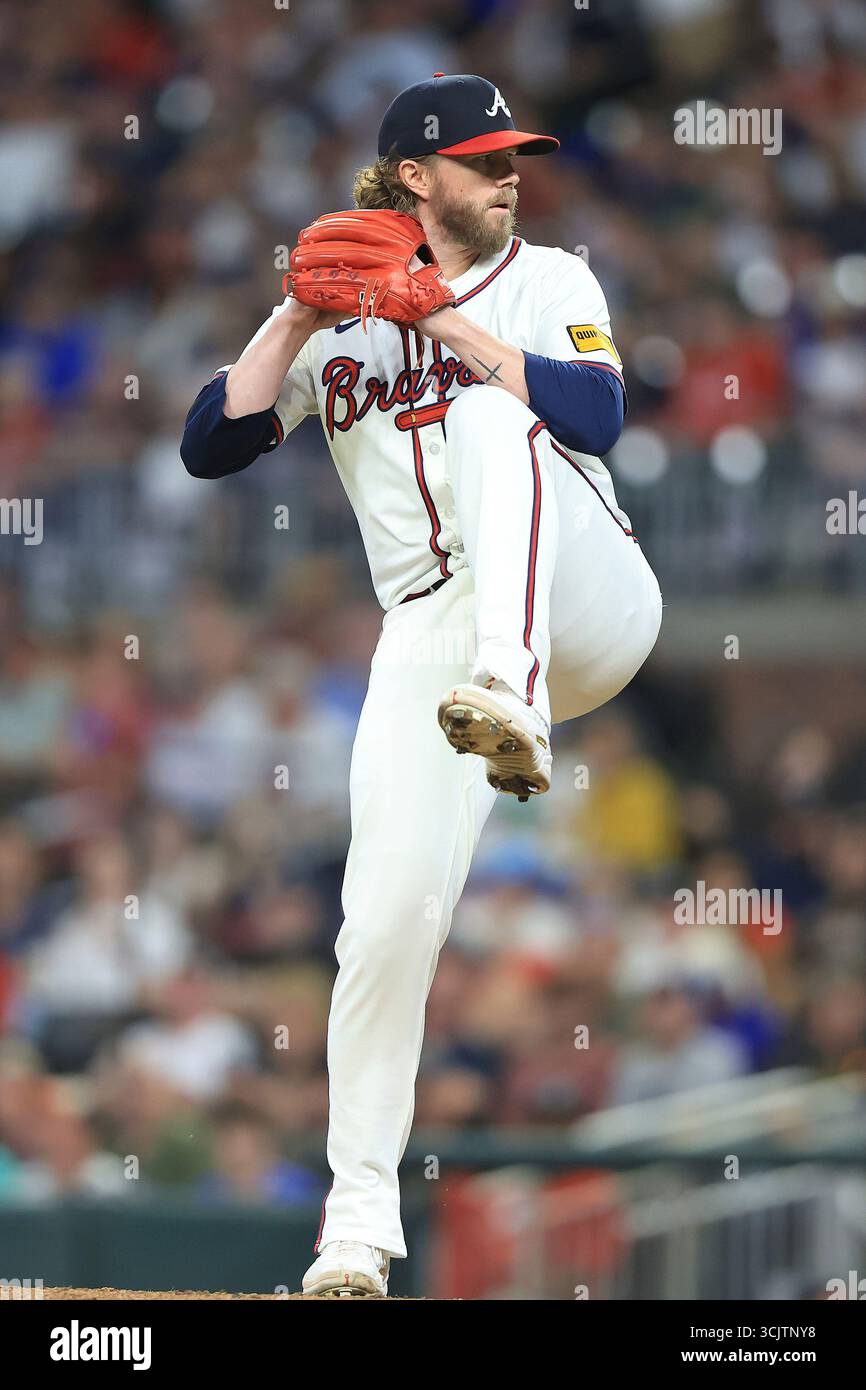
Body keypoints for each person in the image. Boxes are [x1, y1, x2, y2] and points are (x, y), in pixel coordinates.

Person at [181, 74, 662, 1296]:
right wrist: (291, 316)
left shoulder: (549, 276)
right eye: (485, 158)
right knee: (380, 924)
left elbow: (594, 413)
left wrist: (440, 319)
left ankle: (514, 690)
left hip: (582, 594)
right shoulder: (336, 313)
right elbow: (212, 441)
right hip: (429, 632)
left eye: (515, 156)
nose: (511, 173)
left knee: (496, 418)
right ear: (414, 176)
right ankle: (353, 1234)